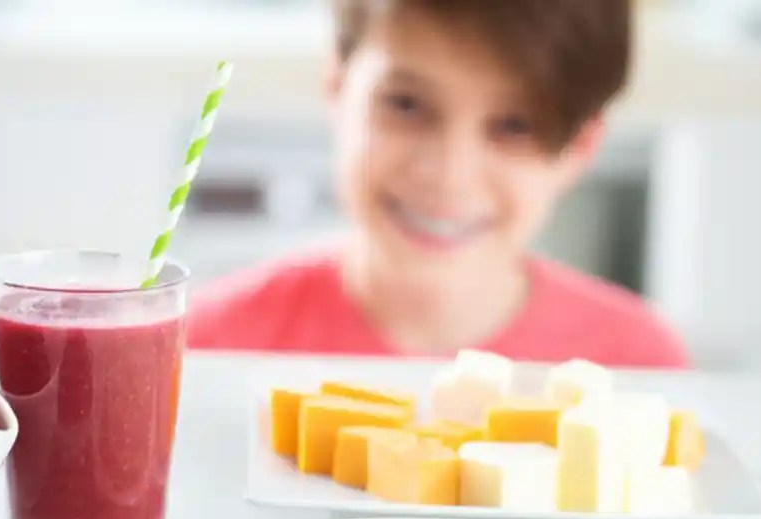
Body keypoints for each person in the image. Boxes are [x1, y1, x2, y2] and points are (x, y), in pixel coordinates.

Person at [187, 0, 688, 368]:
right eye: (406, 104)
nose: (448, 174)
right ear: (337, 87)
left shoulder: (641, 369)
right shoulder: (201, 349)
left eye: (515, 125)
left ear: (579, 147)